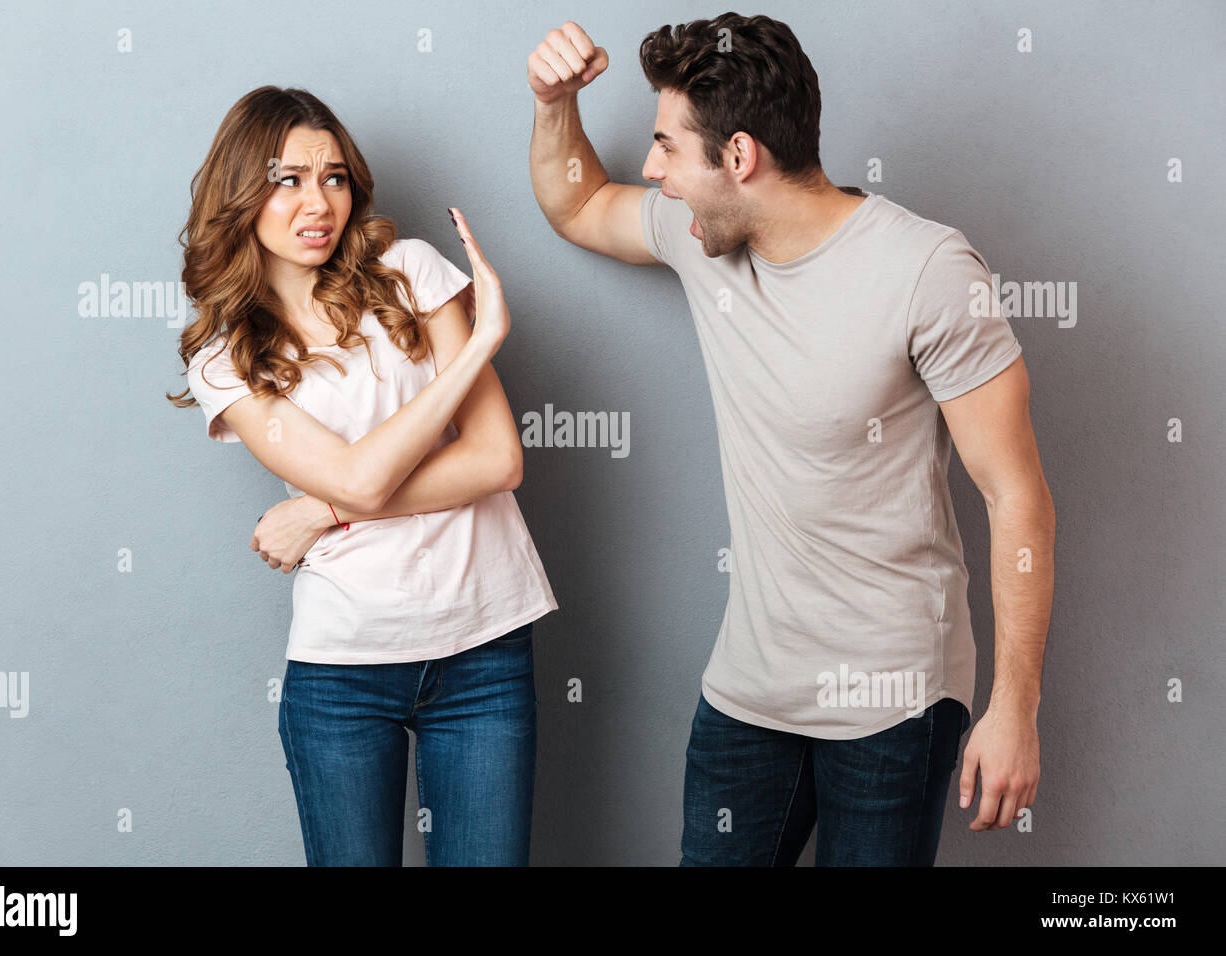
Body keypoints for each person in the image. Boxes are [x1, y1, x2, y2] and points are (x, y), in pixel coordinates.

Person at [528, 14, 1054, 865]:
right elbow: (579, 204)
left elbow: (1016, 494)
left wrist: (1015, 706)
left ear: (739, 158)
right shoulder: (706, 239)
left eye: (666, 147)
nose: (650, 168)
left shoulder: (928, 271)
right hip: (749, 696)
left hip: (894, 703)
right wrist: (554, 104)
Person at [168, 86, 558, 866]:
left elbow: (497, 459)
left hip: (483, 648)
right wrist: (478, 348)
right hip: (343, 672)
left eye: (335, 177)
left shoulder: (409, 269)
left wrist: (324, 513)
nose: (319, 202)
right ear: (242, 192)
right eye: (288, 179)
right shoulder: (225, 357)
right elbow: (361, 479)